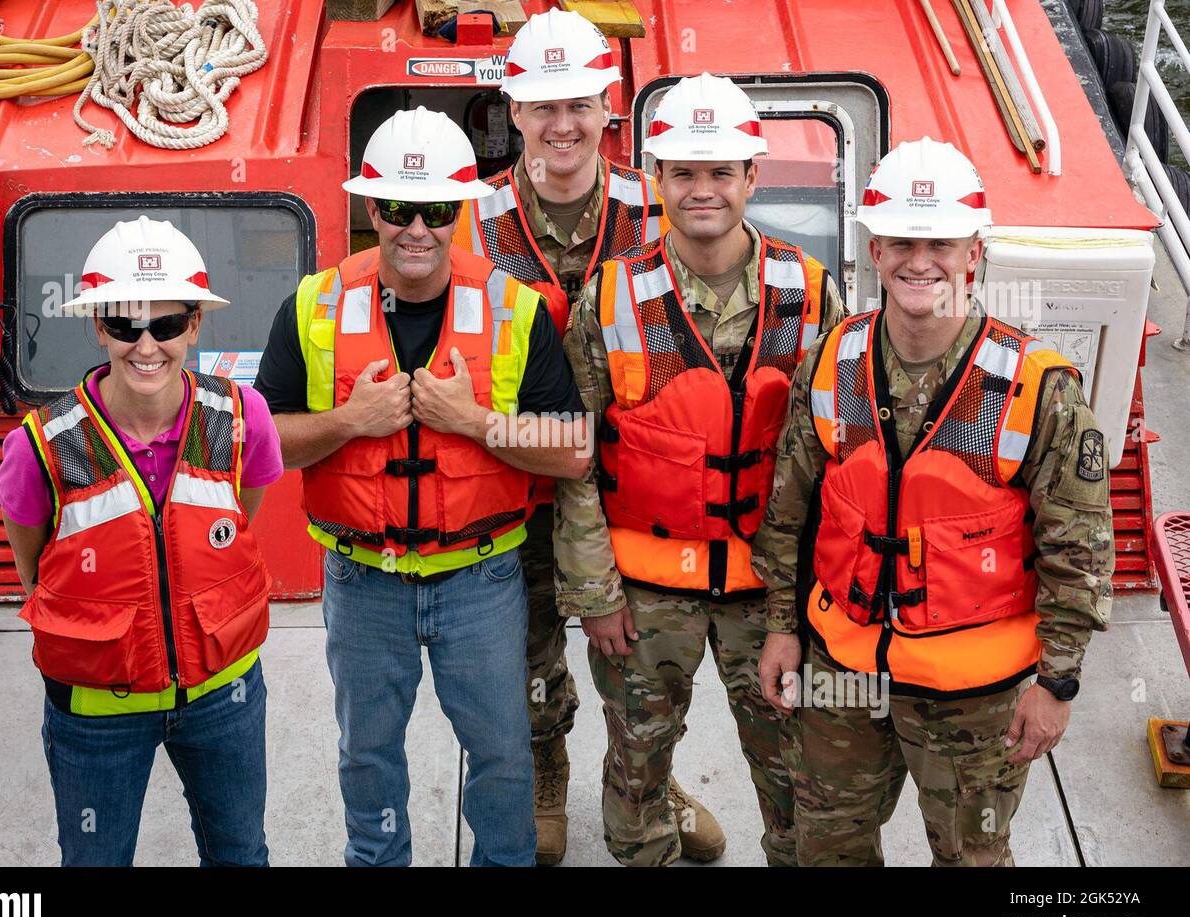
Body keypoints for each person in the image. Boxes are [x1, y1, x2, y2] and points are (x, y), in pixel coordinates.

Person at [753, 138, 1115, 866]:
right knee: (827, 845)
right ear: (876, 251)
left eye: (941, 243)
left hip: (975, 698)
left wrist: (1057, 686)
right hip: (843, 675)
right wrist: (781, 629)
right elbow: (789, 514)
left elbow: (1079, 552)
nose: (922, 261)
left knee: (972, 856)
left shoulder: (1036, 389)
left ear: (972, 254)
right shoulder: (833, 361)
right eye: (902, 242)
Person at [254, 106, 589, 867]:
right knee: (366, 754)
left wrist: (474, 422)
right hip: (362, 579)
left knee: (503, 754)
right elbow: (261, 440)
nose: (416, 228)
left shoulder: (515, 308)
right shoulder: (311, 306)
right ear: (370, 207)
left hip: (481, 578)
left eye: (437, 209)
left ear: (461, 210)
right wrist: (347, 421)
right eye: (398, 208)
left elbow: (573, 449)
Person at [554, 73, 845, 867]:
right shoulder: (610, 299)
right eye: (683, 171)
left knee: (796, 775)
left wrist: (806, 610)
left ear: (754, 175)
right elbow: (571, 455)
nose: (702, 189)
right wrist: (595, 596)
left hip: (768, 599)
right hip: (644, 599)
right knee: (636, 769)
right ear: (656, 180)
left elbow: (832, 465)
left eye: (721, 171)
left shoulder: (813, 295)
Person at [452, 8, 690, 865]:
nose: (562, 125)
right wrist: (542, 441)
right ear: (512, 111)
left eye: (579, 105)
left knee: (647, 661)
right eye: (542, 107)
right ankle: (547, 774)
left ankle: (649, 781)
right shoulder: (470, 221)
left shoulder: (659, 206)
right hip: (520, 480)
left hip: (638, 482)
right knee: (531, 656)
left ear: (608, 105)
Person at [0, 215, 283, 866]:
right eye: (126, 323)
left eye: (168, 323)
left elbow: (238, 519)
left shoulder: (245, 421)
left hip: (225, 698)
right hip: (95, 712)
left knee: (241, 854)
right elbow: (35, 569)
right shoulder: (37, 449)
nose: (146, 344)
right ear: (99, 324)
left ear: (194, 324)